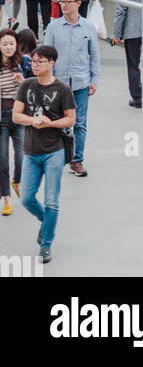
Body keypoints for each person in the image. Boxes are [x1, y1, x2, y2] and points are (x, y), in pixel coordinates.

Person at [12, 44, 76, 262]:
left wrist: (49, 124)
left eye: (40, 61)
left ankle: (46, 243)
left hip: (54, 152)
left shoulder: (63, 89)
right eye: (34, 61)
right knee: (27, 198)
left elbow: (70, 119)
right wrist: (34, 121)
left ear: (51, 63)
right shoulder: (27, 85)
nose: (35, 65)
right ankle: (46, 222)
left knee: (51, 201)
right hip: (30, 151)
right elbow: (16, 116)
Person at [44, 0, 99, 177]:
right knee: (59, 122)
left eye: (68, 1)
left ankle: (77, 160)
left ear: (78, 4)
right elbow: (46, 56)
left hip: (81, 81)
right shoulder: (53, 27)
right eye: (62, 1)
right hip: (59, 82)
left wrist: (94, 79)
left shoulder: (88, 27)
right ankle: (59, 157)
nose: (64, 5)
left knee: (80, 122)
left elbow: (95, 56)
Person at [110, 0, 143, 108]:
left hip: (132, 30)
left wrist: (117, 34)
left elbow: (121, 10)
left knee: (133, 64)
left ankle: (137, 97)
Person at [0, 28, 24, 214]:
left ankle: (17, 181)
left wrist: (22, 80)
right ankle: (7, 200)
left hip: (19, 115)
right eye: (4, 44)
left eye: (11, 44)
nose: (8, 47)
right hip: (1, 116)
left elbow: (34, 88)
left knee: (21, 157)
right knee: (2, 159)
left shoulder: (23, 63)